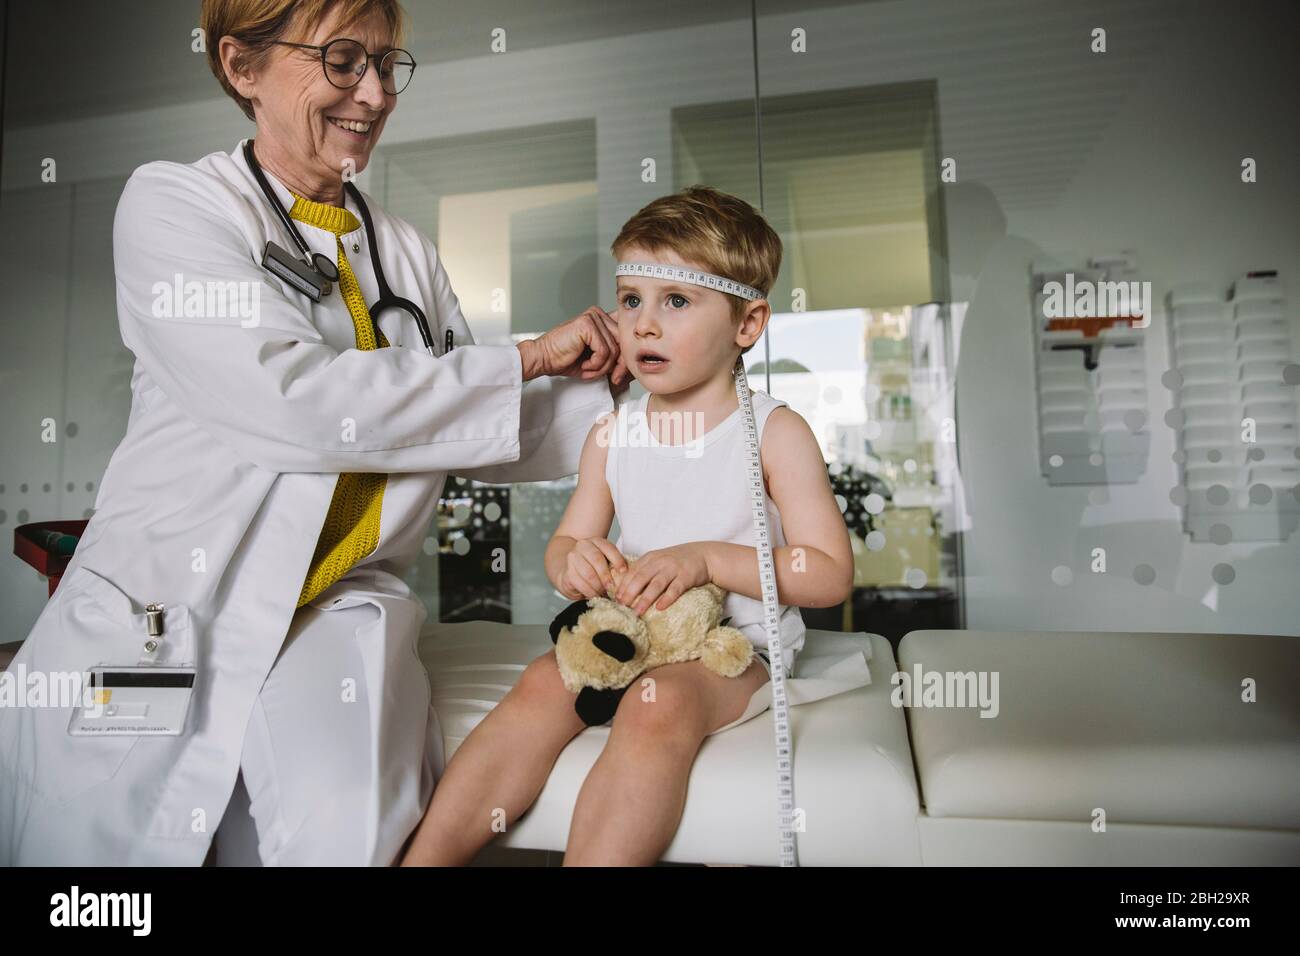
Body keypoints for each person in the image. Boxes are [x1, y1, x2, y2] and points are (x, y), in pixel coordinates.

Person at [0, 0, 628, 866]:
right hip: (173, 605)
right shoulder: (176, 207)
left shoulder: (402, 251)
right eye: (341, 60)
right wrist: (521, 358)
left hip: (336, 599)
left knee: (346, 827)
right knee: (101, 853)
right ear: (242, 66)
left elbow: (463, 423)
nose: (373, 93)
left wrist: (644, 396)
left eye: (385, 64)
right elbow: (293, 405)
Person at [401, 186, 854, 866]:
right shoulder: (611, 433)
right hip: (625, 634)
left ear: (748, 324)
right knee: (539, 685)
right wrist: (572, 566)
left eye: (676, 301)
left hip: (732, 651)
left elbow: (826, 574)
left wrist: (706, 560)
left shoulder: (775, 431)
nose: (643, 324)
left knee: (657, 702)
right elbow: (566, 545)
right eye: (631, 298)